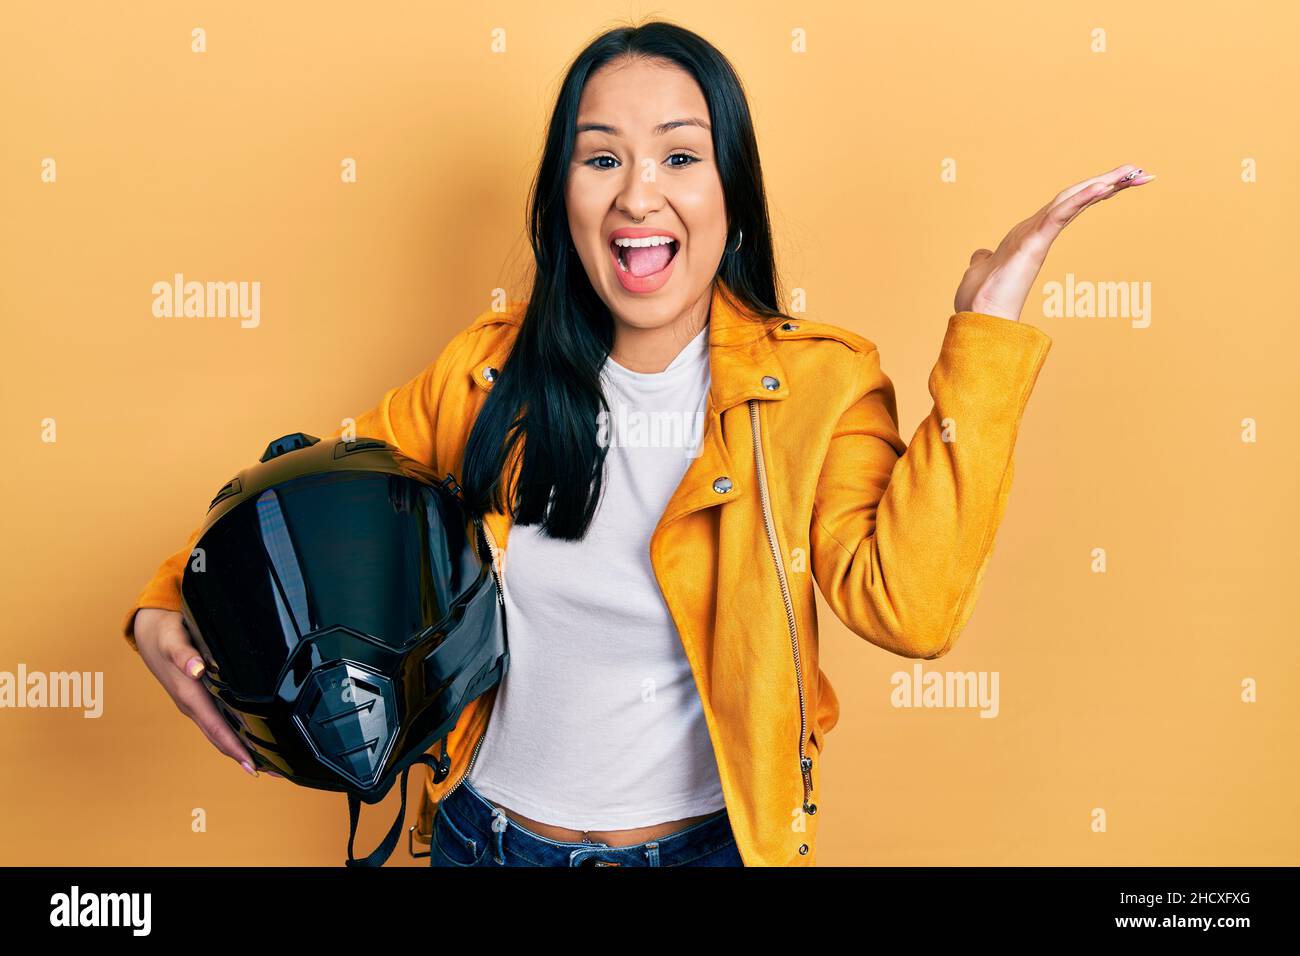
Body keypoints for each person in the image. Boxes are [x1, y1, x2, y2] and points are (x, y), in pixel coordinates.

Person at [123, 19, 1153, 868]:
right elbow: (317, 506)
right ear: (563, 198)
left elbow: (911, 605)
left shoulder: (820, 385)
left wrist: (985, 331)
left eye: (678, 155)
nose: (637, 193)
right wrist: (172, 595)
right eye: (601, 157)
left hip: (706, 849)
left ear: (729, 194)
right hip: (487, 841)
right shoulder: (482, 376)